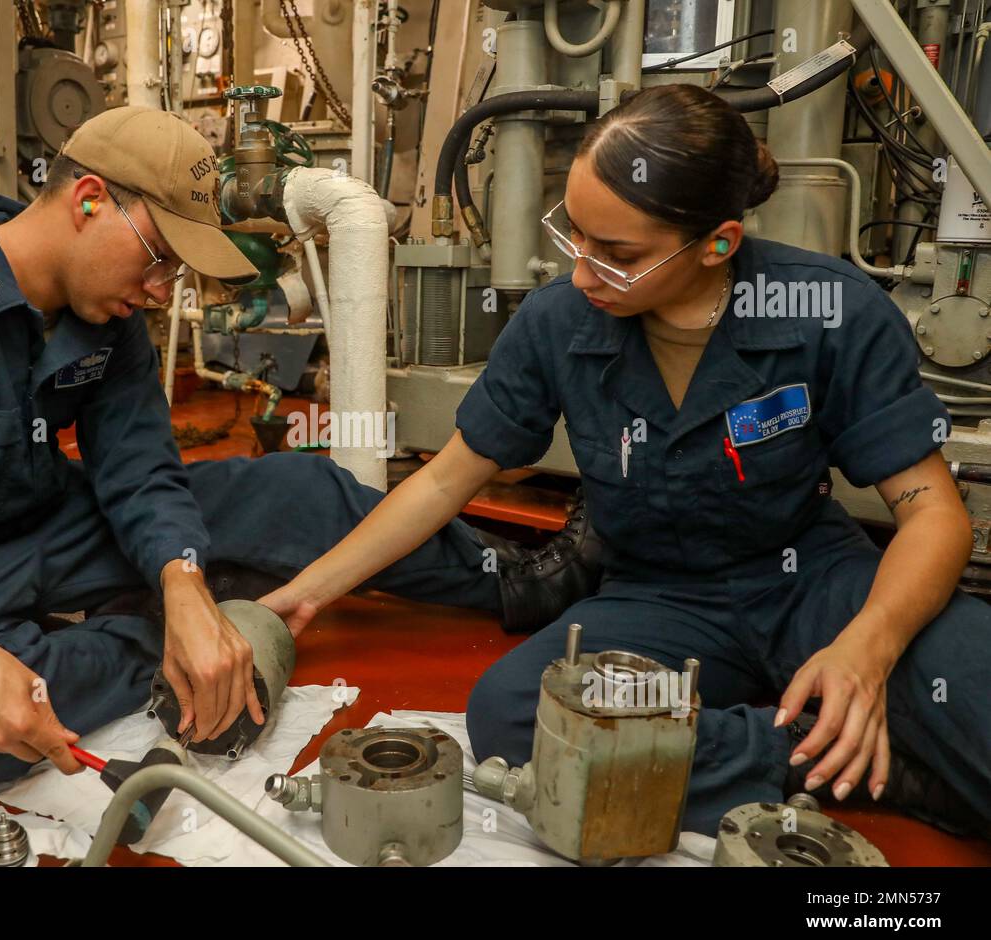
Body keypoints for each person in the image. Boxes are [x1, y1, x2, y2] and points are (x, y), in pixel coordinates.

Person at [0, 105, 590, 793]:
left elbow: (138, 465)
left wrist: (182, 577)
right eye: (160, 260)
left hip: (56, 526)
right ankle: (192, 637)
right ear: (89, 202)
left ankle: (515, 580)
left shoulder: (103, 312)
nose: (163, 293)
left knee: (302, 492)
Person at [261, 84, 991, 838]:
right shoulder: (557, 322)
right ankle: (859, 766)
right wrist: (305, 593)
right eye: (575, 237)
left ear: (719, 244)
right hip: (659, 602)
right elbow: (448, 477)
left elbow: (933, 512)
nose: (583, 274)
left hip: (814, 581)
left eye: (618, 255)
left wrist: (867, 649)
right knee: (516, 718)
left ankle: (810, 733)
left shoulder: (828, 309)